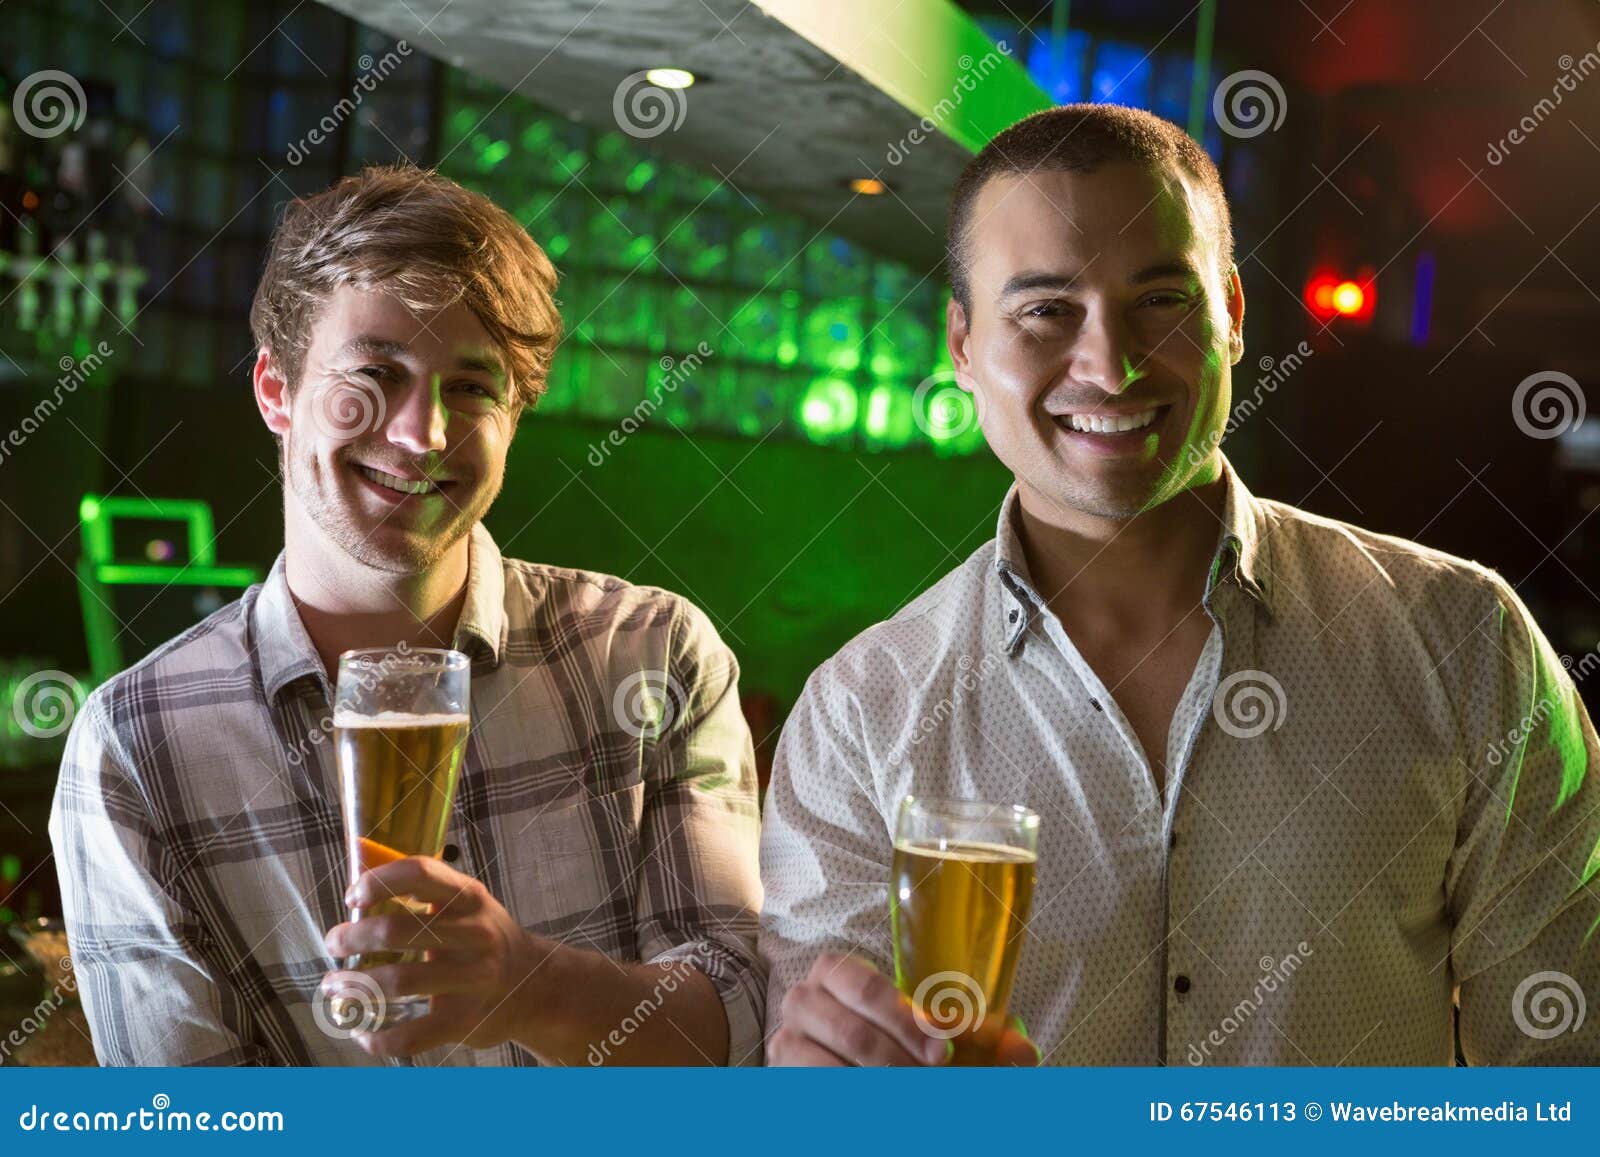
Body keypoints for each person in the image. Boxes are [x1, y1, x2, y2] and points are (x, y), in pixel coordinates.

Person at [759, 103, 1600, 1066]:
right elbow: (821, 1094)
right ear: (961, 345)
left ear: (1232, 316)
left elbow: (1566, 1083)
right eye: (1046, 311)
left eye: (1160, 299)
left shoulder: (1464, 641)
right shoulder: (859, 714)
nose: (1110, 366)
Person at [50, 165, 764, 1067]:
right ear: (275, 389)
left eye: (471, 387)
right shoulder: (132, 746)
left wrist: (533, 988)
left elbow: (743, 1022)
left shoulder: (654, 653)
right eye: (376, 373)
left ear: (515, 414)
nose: (420, 434)